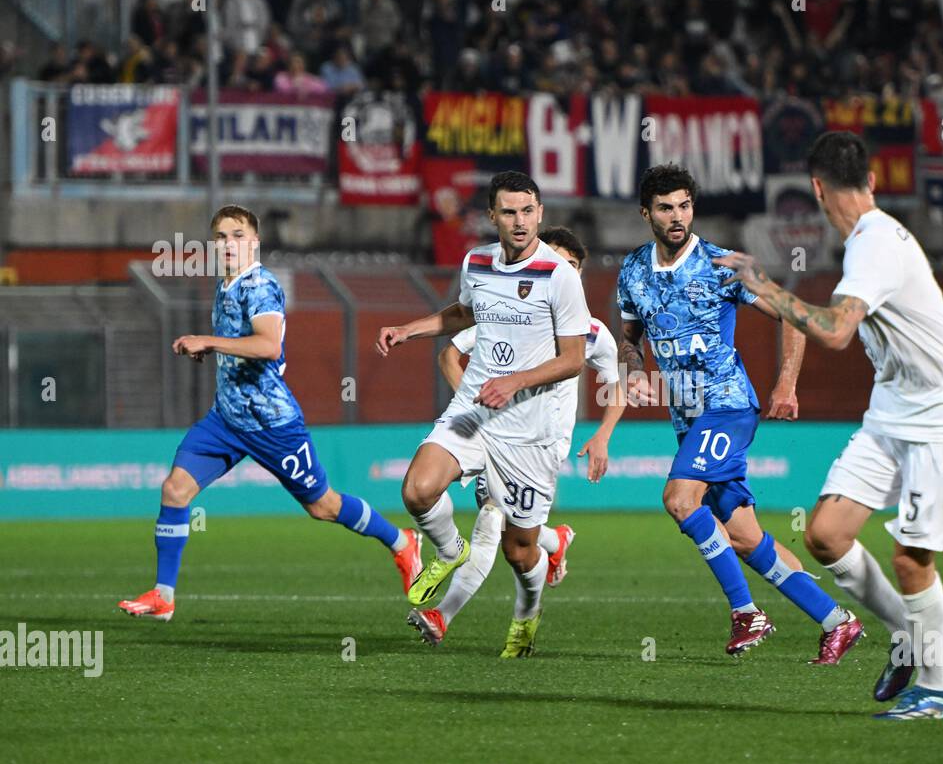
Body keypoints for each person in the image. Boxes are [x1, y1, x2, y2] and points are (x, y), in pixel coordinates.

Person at [718, 131, 943, 719]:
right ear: (869, 181)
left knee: (910, 559)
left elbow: (838, 332)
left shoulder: (874, 244)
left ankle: (938, 686)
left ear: (816, 189)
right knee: (825, 535)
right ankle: (911, 639)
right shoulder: (873, 238)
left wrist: (763, 286)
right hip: (893, 413)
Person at [119, 205, 420, 621]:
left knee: (323, 506)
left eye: (238, 235)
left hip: (271, 424)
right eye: (222, 236)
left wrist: (208, 341)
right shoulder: (226, 284)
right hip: (226, 420)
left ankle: (403, 542)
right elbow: (241, 347)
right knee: (175, 490)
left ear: (255, 242)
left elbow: (268, 346)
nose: (229, 243)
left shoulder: (259, 286)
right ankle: (164, 596)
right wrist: (213, 351)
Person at [616, 164, 863, 664]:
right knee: (745, 537)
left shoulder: (721, 264)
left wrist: (786, 384)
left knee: (681, 500)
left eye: (684, 205)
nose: (677, 216)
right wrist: (633, 368)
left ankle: (746, 612)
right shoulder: (633, 271)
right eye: (665, 208)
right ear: (647, 214)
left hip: (727, 405)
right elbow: (629, 336)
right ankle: (839, 621)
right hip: (688, 418)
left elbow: (791, 315)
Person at [375, 173, 590, 657]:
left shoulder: (559, 275)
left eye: (528, 211)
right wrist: (410, 329)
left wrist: (515, 381)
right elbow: (463, 313)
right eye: (509, 212)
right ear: (492, 216)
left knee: (519, 551)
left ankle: (529, 609)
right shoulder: (477, 261)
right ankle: (451, 550)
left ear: (540, 213)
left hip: (528, 431)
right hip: (475, 409)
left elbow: (574, 358)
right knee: (417, 489)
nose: (520, 221)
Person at [431, 226, 626, 656]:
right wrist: (476, 405)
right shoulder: (509, 314)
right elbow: (449, 352)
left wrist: (603, 436)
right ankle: (444, 612)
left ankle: (528, 595)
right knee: (489, 518)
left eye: (571, 268)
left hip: (541, 445)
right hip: (491, 432)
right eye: (555, 262)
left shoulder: (593, 334)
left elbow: (617, 385)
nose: (561, 273)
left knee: (513, 545)